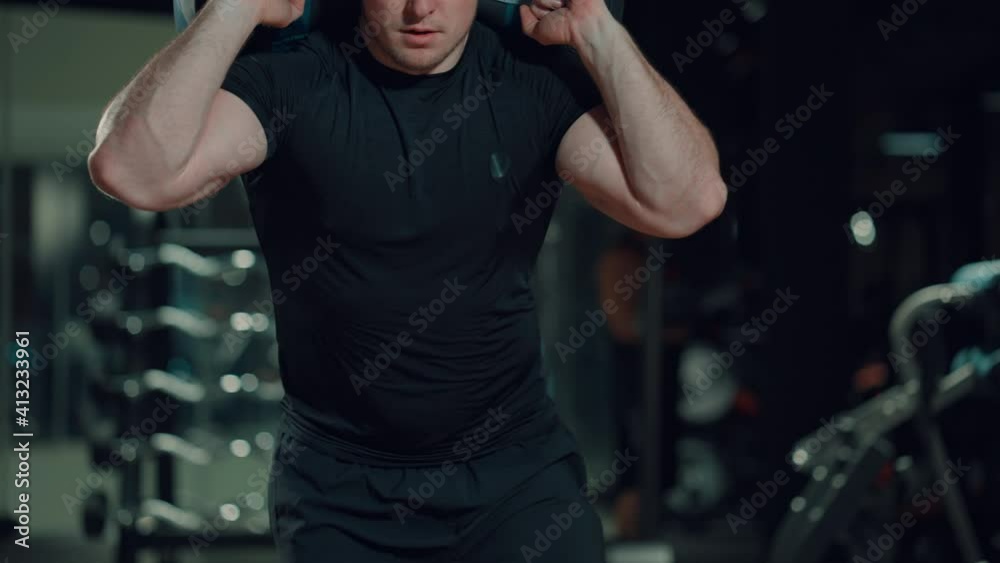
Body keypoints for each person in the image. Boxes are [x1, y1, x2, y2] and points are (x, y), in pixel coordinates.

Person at [87, 0, 727, 561]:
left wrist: (597, 28)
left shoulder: (528, 84)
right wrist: (234, 7)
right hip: (340, 494)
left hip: (515, 478)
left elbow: (688, 202)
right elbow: (130, 171)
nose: (421, 9)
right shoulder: (293, 82)